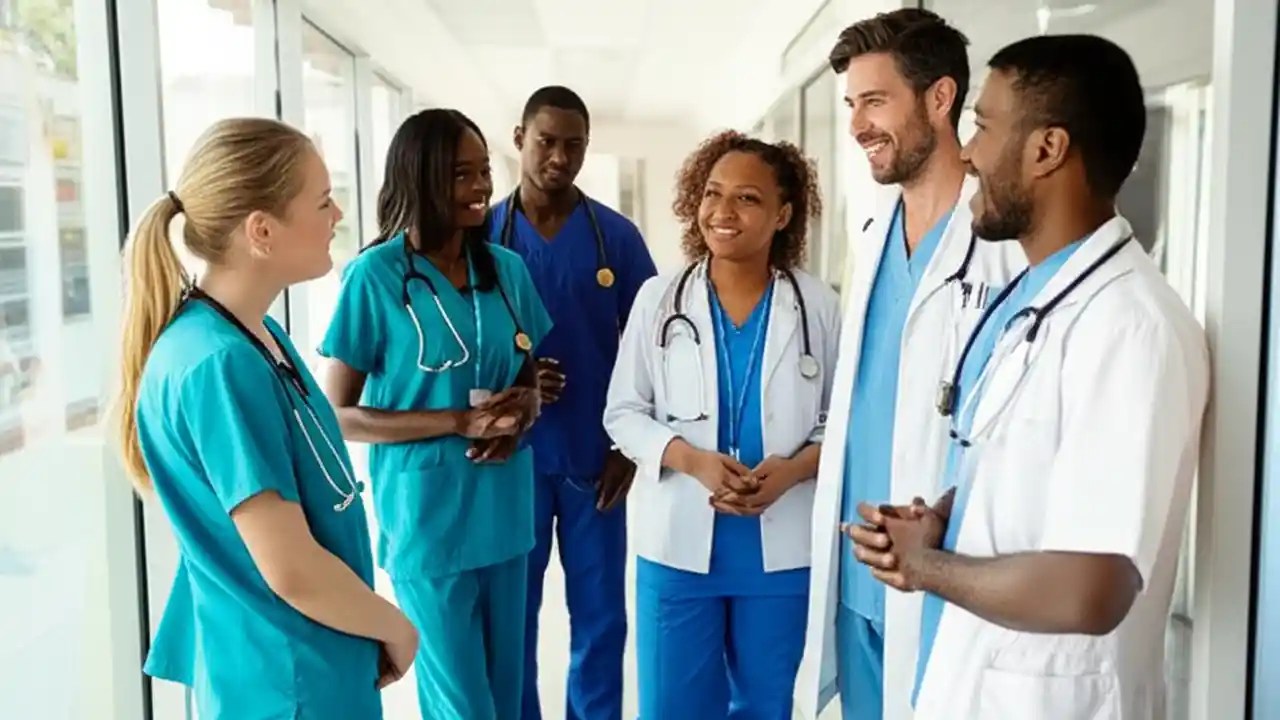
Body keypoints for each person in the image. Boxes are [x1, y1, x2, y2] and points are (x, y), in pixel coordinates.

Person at [849, 34, 1210, 719]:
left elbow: (1093, 589)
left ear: (1048, 149)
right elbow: (1024, 467)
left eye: (982, 127)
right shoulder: (1038, 299)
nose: (966, 153)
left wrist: (924, 566)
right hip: (975, 675)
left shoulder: (1131, 327)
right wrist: (948, 519)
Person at [115, 117, 417, 719]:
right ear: (262, 230)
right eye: (323, 201)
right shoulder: (218, 364)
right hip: (284, 678)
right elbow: (292, 569)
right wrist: (396, 629)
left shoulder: (253, 336)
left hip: (307, 657)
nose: (337, 216)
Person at [794, 10, 1025, 720]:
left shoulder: (1005, 247)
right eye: (851, 104)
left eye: (874, 100)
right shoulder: (873, 234)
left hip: (939, 568)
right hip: (859, 567)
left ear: (939, 98)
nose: (858, 123)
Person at [318, 108, 551, 720]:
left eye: (482, 172)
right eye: (459, 176)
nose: (479, 189)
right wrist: (454, 422)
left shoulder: (507, 272)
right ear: (420, 178)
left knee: (508, 697)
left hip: (503, 514)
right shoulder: (375, 278)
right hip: (428, 523)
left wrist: (524, 410)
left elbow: (529, 380)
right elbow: (335, 415)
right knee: (464, 707)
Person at [605, 131, 841, 719]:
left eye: (747, 199)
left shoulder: (819, 306)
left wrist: (792, 472)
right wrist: (692, 460)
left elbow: (842, 422)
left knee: (768, 706)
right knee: (673, 708)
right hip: (677, 550)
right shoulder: (659, 299)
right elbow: (623, 412)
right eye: (713, 194)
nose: (723, 212)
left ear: (783, 214)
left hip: (780, 553)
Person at [487, 86, 657, 720]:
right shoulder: (483, 236)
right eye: (546, 141)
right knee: (514, 618)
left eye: (573, 144)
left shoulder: (615, 238)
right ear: (519, 139)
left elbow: (653, 349)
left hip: (594, 456)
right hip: (510, 459)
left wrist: (631, 448)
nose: (559, 156)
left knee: (601, 618)